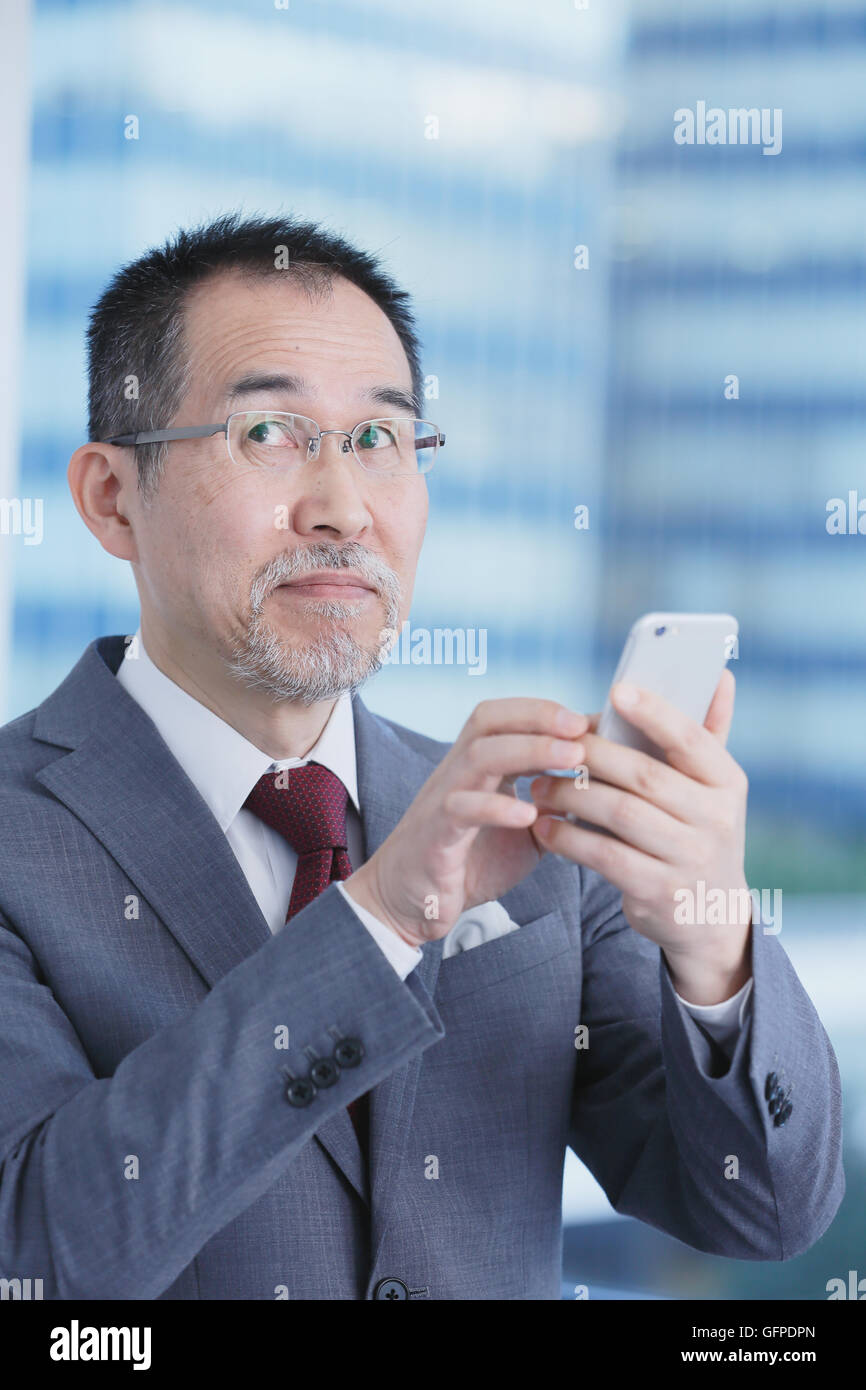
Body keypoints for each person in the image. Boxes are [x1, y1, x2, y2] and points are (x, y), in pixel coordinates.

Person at [0, 213, 843, 1300]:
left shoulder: (530, 834)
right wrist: (381, 920)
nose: (342, 507)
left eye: (380, 440)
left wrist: (711, 946)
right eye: (268, 434)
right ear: (112, 498)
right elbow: (34, 1256)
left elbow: (757, 1205)